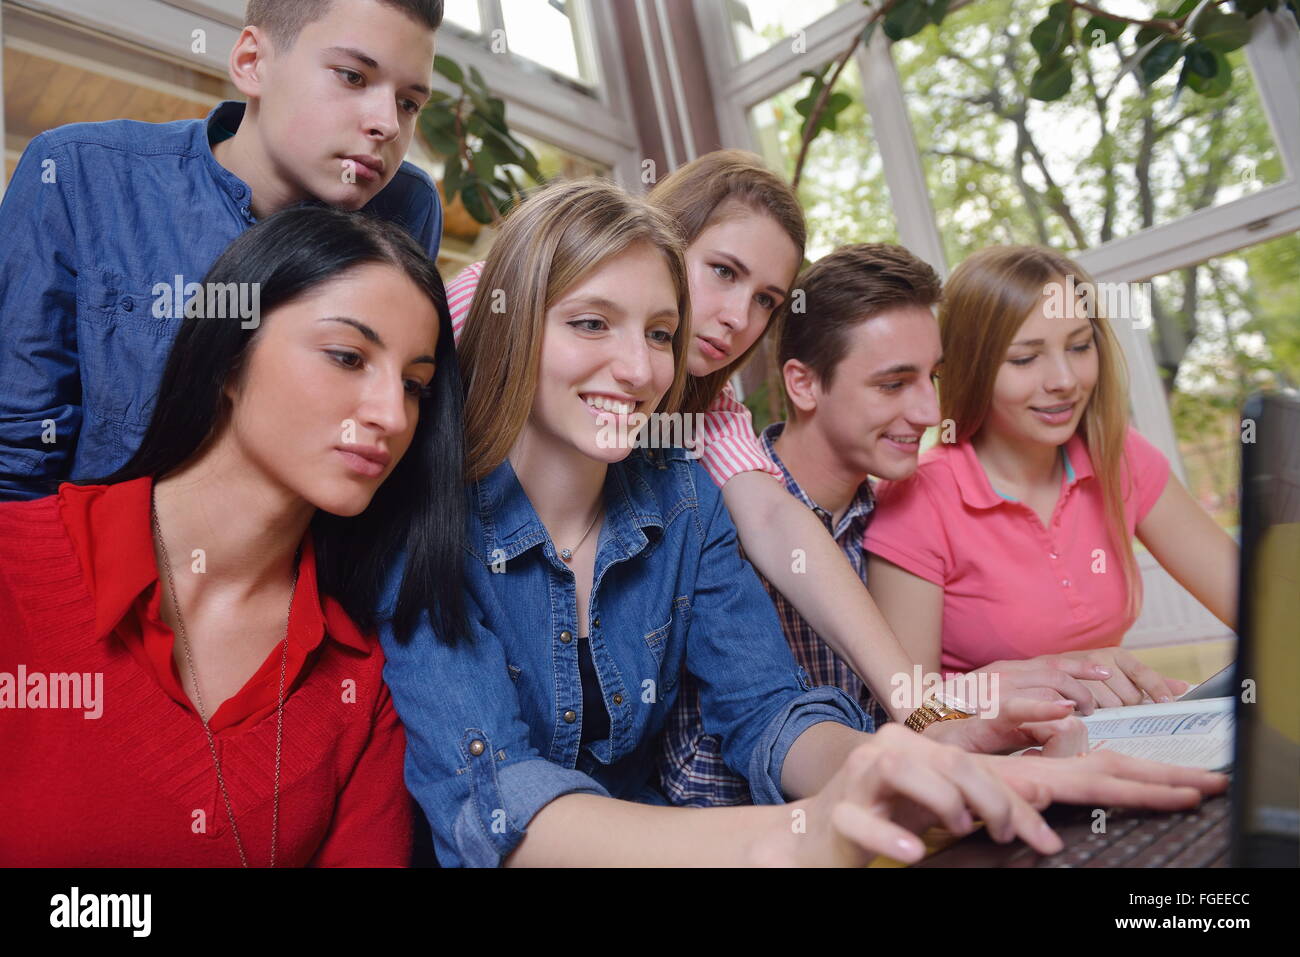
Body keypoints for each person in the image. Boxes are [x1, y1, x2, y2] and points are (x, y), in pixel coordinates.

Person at [377, 178, 1226, 868]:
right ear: (519, 317)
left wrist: (910, 761)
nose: (638, 367)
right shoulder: (427, 512)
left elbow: (771, 712)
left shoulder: (688, 489)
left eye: (661, 333)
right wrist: (799, 832)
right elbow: (499, 804)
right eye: (592, 322)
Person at [442, 154, 1098, 802]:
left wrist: (924, 718)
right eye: (722, 272)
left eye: (765, 299)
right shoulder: (482, 307)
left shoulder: (696, 447)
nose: (736, 318)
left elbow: (776, 522)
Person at [0, 205, 466, 866]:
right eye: (347, 356)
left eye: (416, 385)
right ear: (228, 357)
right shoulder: (13, 565)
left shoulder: (360, 685)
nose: (391, 414)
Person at [0, 0, 448, 500]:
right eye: (352, 76)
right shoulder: (79, 174)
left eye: (409, 103)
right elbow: (18, 455)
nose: (387, 124)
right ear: (252, 62)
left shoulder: (409, 205)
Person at [865, 245, 1240, 709]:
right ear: (970, 368)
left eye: (1080, 347)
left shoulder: (1117, 454)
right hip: (997, 765)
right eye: (1025, 359)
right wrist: (1000, 695)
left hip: (1116, 742)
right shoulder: (918, 499)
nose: (1064, 379)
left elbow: (1259, 604)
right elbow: (908, 712)